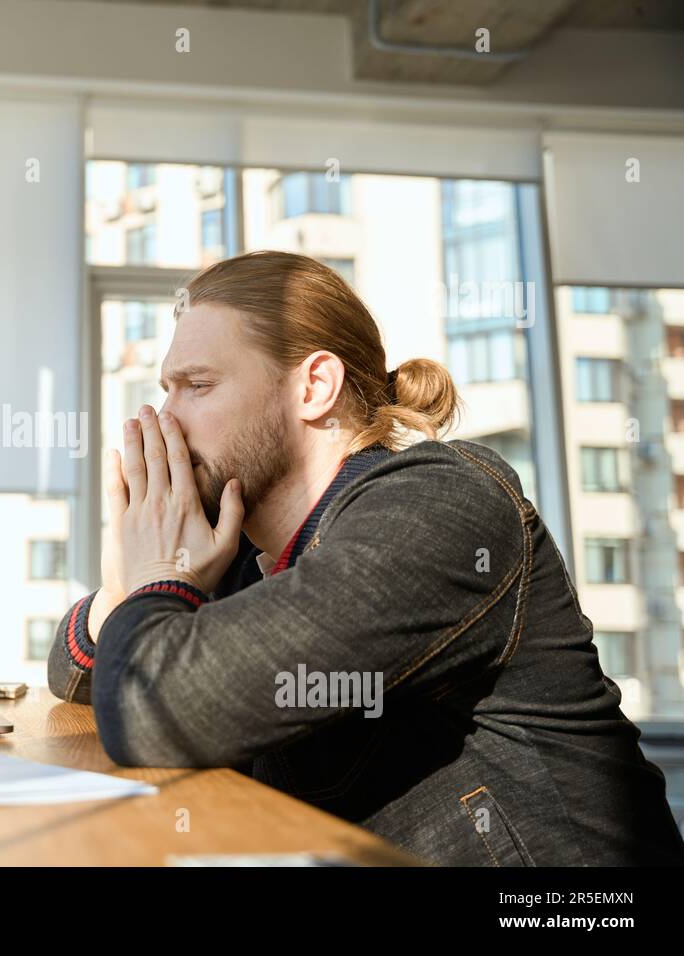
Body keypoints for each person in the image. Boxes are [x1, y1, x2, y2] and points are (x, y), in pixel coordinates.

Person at [47, 250, 684, 866]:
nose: (166, 419)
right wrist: (126, 583)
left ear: (315, 386)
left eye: (199, 387)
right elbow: (78, 675)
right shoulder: (243, 553)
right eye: (167, 389)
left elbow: (157, 707)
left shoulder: (441, 505)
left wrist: (159, 579)